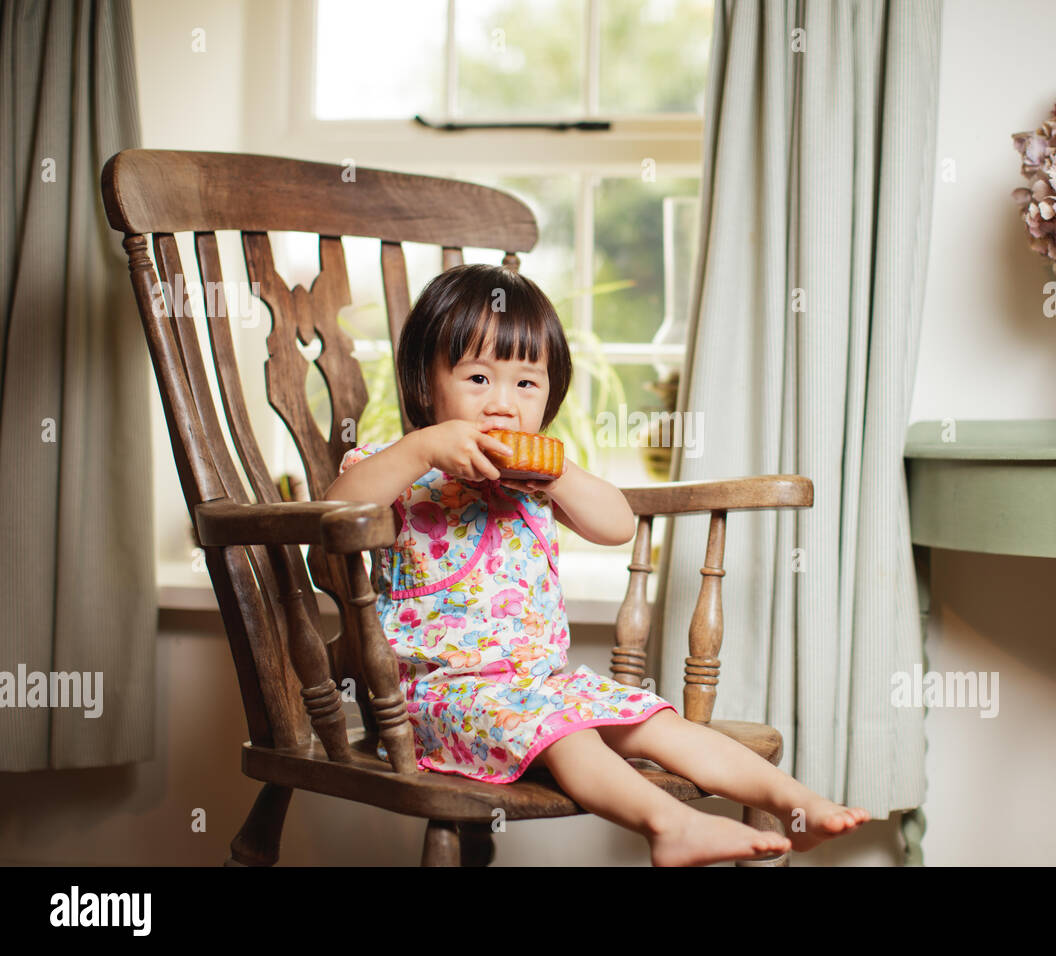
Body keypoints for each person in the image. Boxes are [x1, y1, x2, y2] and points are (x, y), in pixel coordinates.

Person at [325, 263, 868, 866]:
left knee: (658, 721)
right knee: (569, 732)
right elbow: (335, 509)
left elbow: (616, 524)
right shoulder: (399, 469)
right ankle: (669, 824)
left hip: (544, 688)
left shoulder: (533, 483)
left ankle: (793, 799)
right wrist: (422, 447)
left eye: (526, 385)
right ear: (427, 388)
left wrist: (558, 472)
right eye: (478, 378)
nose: (502, 404)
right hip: (440, 700)